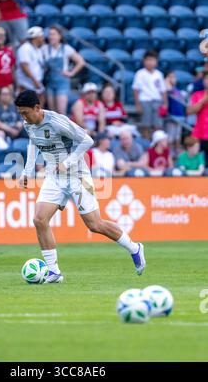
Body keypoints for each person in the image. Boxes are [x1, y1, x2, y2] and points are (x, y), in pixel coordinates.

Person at [15, 90, 146, 283]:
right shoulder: (29, 124)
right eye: (20, 114)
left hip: (77, 176)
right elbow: (33, 144)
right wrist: (27, 171)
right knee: (39, 220)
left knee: (95, 225)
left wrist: (67, 163)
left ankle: (135, 248)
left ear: (37, 108)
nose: (23, 117)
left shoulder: (57, 121)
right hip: (54, 176)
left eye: (25, 112)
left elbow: (87, 140)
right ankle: (54, 272)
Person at [42, 25, 85, 115]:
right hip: (50, 82)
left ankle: (63, 129)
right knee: (52, 113)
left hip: (62, 83)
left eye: (53, 34)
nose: (51, 37)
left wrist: (71, 73)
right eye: (50, 34)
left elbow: (81, 62)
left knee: (61, 112)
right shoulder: (45, 48)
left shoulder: (66, 48)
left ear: (59, 36)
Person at [132, 50, 168, 139]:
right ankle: (146, 142)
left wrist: (165, 103)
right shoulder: (140, 73)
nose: (150, 62)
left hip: (157, 100)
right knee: (145, 124)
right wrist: (138, 104)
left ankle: (157, 141)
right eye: (148, 60)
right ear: (144, 61)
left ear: (156, 61)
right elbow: (136, 89)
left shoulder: (159, 74)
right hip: (145, 100)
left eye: (152, 60)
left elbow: (163, 90)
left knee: (157, 125)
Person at [0, 86, 27, 151]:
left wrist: (20, 124)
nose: (6, 96)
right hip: (4, 132)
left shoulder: (15, 107)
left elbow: (22, 119)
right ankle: (6, 152)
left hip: (17, 131)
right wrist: (11, 130)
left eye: (7, 94)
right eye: (4, 94)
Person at [15, 26, 45, 104]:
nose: (43, 38)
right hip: (27, 84)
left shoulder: (37, 49)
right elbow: (24, 66)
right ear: (36, 37)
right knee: (28, 108)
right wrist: (35, 81)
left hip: (34, 84)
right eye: (41, 36)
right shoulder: (25, 48)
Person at [187, 71, 208, 167]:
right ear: (204, 81)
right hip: (199, 133)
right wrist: (203, 101)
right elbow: (189, 111)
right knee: (197, 164)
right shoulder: (197, 95)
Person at [164, 71, 187, 150]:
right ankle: (169, 155)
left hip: (180, 116)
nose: (173, 79)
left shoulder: (178, 90)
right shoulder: (166, 88)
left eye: (174, 77)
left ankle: (176, 155)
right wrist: (167, 81)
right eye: (170, 77)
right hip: (171, 116)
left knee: (177, 137)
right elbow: (167, 89)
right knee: (170, 138)